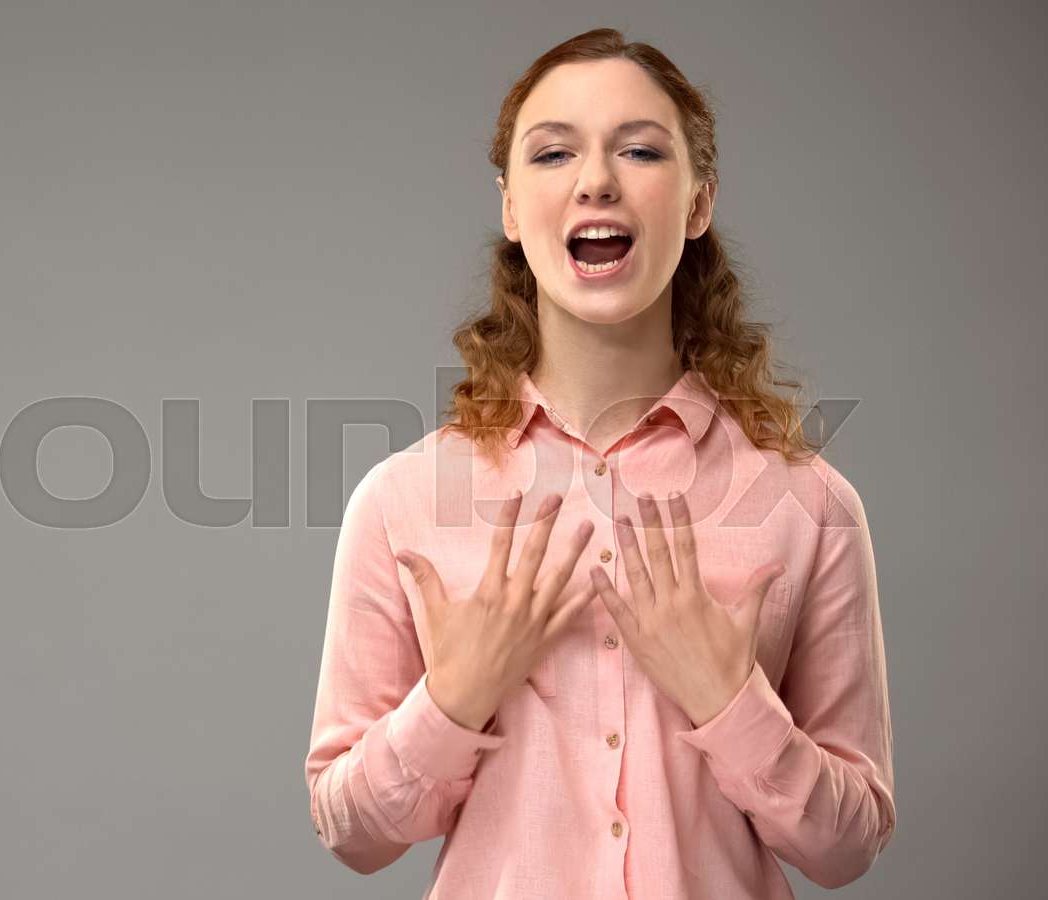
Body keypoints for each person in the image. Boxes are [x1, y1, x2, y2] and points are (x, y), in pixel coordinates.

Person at [303, 28, 895, 898]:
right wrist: (455, 697)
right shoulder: (404, 502)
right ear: (510, 208)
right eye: (553, 153)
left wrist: (731, 700)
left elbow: (846, 849)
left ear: (698, 205)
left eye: (641, 150)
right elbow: (348, 832)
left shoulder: (810, 505)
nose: (596, 180)